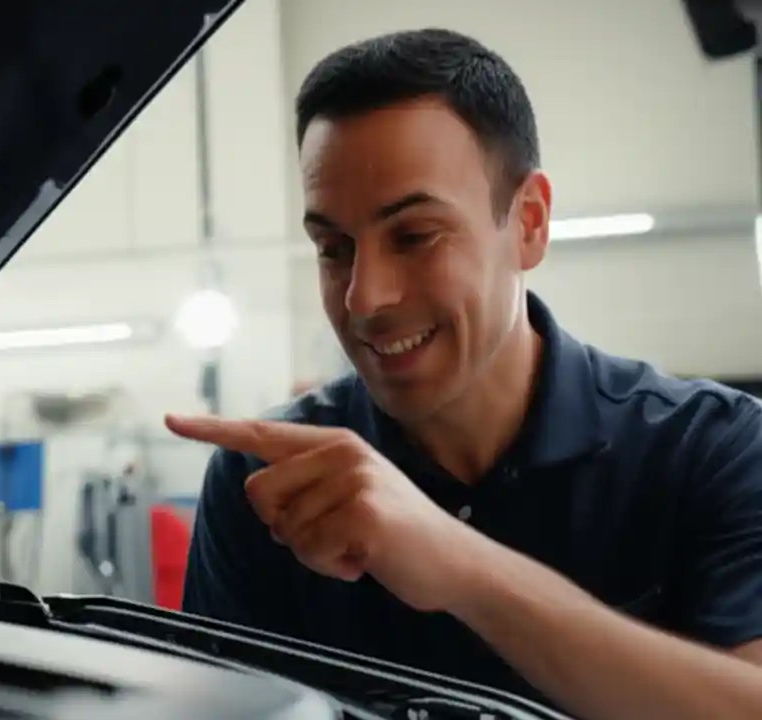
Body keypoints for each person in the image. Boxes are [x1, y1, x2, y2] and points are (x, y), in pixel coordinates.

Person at [169, 28, 762, 720]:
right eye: (334, 249)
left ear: (529, 223)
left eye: (415, 236)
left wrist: (459, 567)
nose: (365, 299)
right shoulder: (264, 485)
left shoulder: (710, 450)